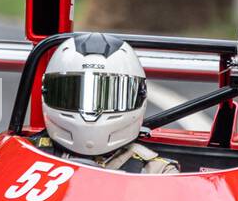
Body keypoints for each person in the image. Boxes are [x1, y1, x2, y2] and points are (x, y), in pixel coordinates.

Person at [31, 33, 180, 174]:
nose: (90, 113)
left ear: (139, 96)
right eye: (74, 94)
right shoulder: (25, 153)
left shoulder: (158, 173)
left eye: (110, 96)